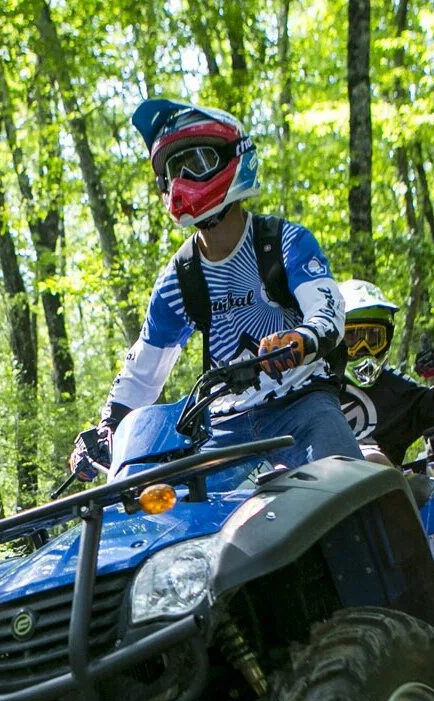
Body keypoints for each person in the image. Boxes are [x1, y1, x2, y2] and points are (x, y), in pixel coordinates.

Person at [68, 99, 356, 482]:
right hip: (224, 425)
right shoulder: (180, 276)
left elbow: (328, 310)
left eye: (198, 162)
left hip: (303, 404)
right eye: (174, 171)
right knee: (176, 519)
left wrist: (301, 338)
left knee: (350, 492)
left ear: (234, 159)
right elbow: (143, 371)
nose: (184, 178)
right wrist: (107, 427)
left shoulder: (283, 241)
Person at [335, 280, 434, 466]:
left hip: (385, 488)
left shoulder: (398, 388)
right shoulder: (317, 382)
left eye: (373, 337)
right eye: (352, 337)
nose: (363, 347)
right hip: (324, 485)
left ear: (387, 339)